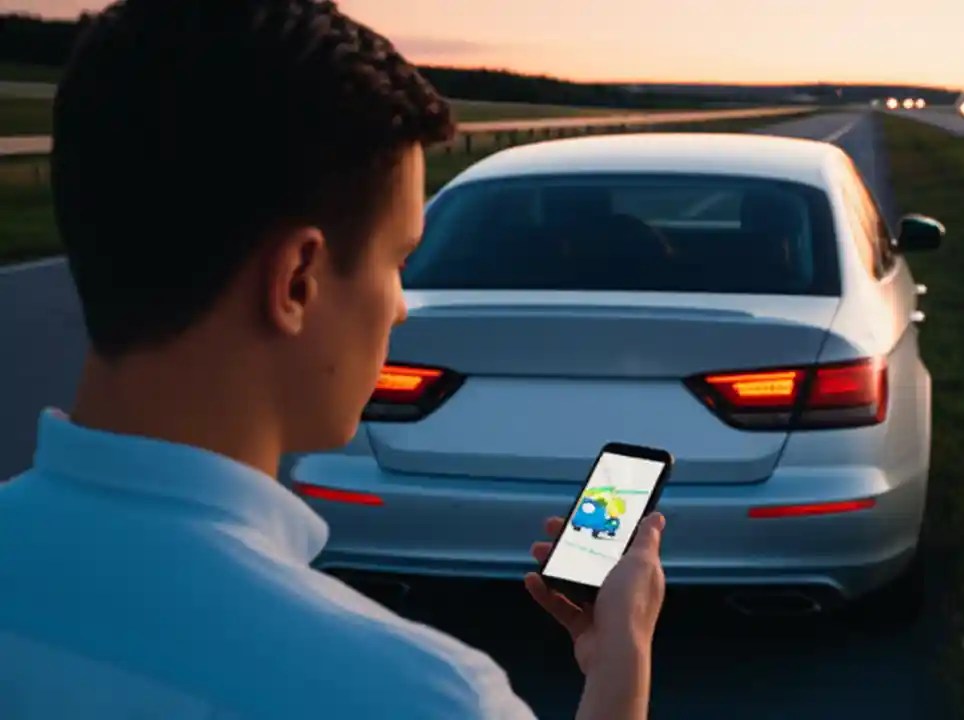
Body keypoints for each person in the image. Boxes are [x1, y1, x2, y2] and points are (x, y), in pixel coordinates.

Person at [0, 1, 666, 718]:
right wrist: (618, 669)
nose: (401, 305)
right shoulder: (428, 697)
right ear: (296, 282)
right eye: (397, 261)